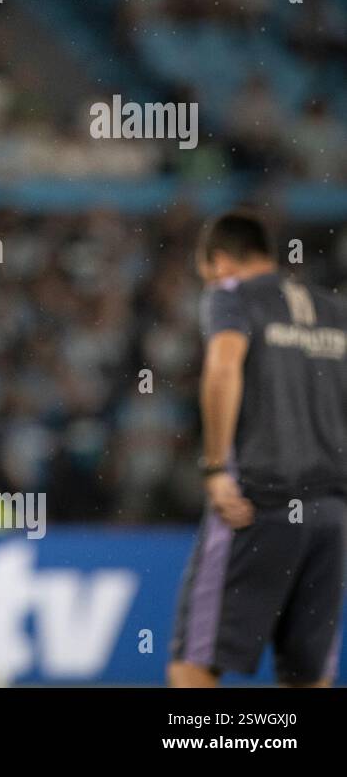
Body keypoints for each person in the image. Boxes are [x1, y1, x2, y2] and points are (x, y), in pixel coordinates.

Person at [169, 209, 347, 687]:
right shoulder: (334, 309)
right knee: (308, 675)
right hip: (331, 514)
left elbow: (224, 364)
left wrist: (214, 468)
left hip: (257, 502)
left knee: (195, 661)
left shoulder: (231, 295)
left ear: (222, 263)